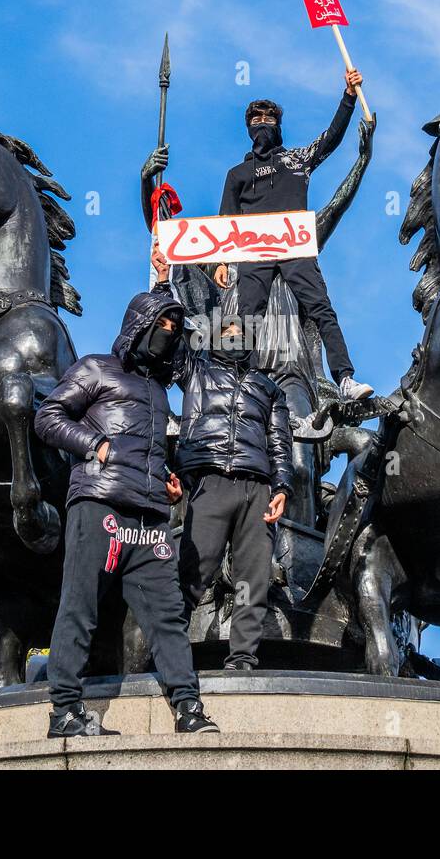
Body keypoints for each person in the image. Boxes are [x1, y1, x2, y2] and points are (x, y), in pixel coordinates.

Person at [34, 283, 219, 737]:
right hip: (99, 505)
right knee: (80, 607)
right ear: (140, 325)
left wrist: (168, 484)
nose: (168, 333)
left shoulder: (159, 391)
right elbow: (47, 416)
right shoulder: (96, 368)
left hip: (150, 518)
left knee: (168, 616)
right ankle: (64, 713)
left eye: (175, 329)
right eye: (162, 324)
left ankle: (189, 709)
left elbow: (150, 450)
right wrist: (92, 443)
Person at [164, 239, 293, 669]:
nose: (236, 336)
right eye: (228, 331)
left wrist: (282, 487)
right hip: (209, 482)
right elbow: (167, 341)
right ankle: (170, 652)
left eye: (242, 332)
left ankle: (243, 658)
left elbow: (279, 441)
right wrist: (165, 282)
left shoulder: (267, 387)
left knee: (253, 578)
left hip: (257, 489)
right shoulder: (195, 370)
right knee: (192, 572)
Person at [216, 68, 374, 401]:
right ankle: (238, 381)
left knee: (321, 307)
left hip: (294, 245)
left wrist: (348, 97)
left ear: (279, 125)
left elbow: (330, 139)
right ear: (248, 129)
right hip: (253, 251)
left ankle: (344, 378)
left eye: (269, 119)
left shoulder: (296, 160)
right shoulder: (237, 174)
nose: (263, 124)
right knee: (246, 316)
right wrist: (221, 261)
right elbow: (225, 220)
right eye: (257, 119)